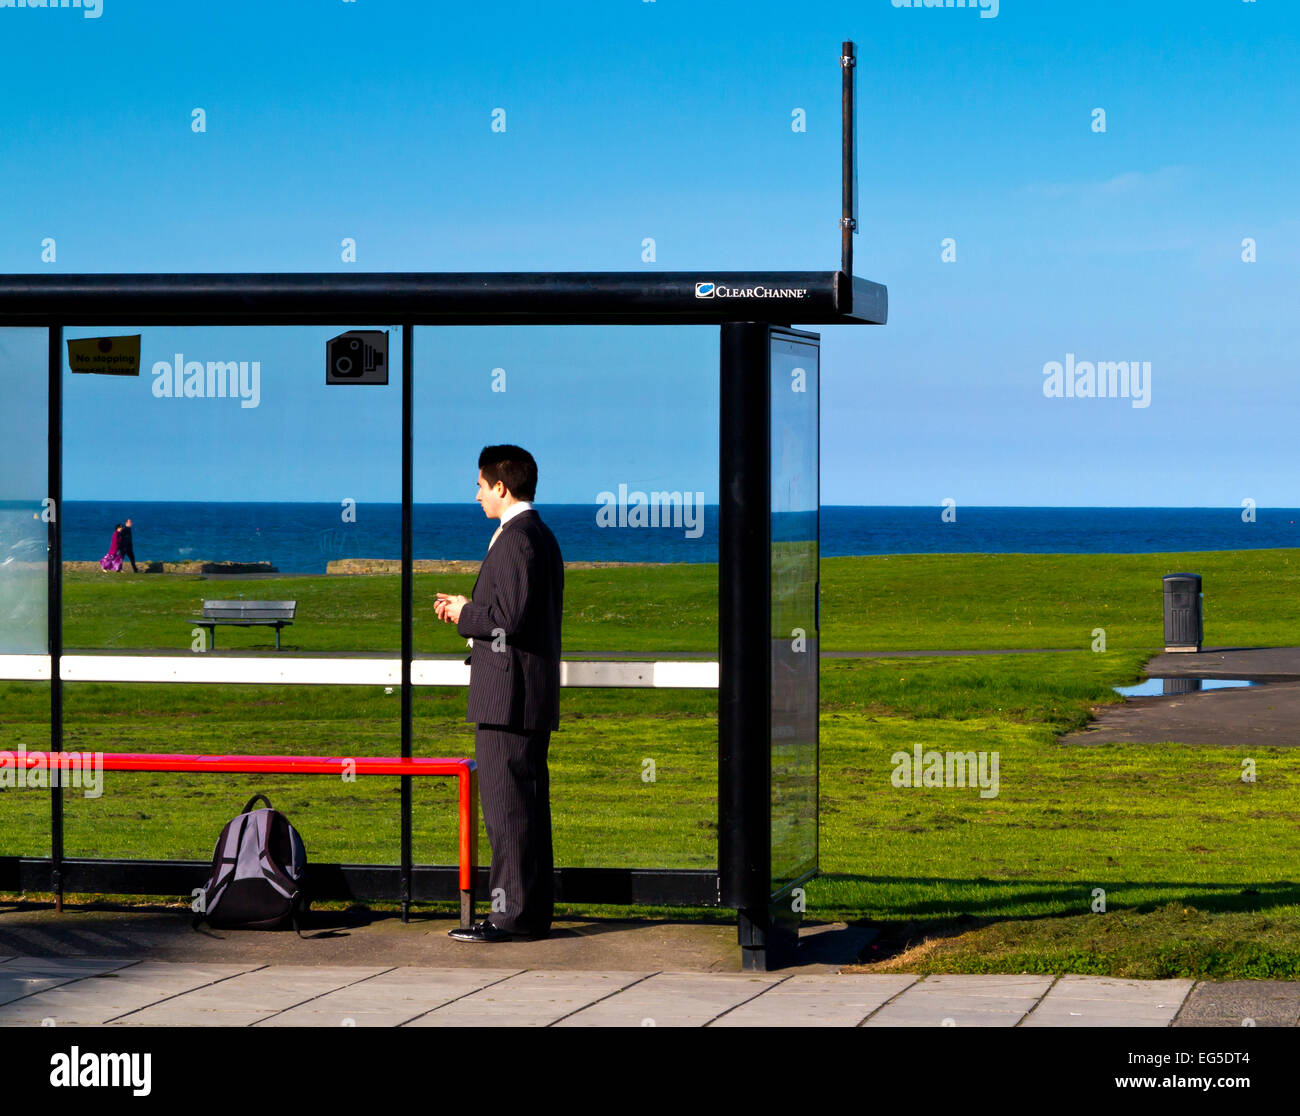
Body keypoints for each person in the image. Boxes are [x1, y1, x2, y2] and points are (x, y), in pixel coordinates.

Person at [436, 445, 564, 943]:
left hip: (507, 699)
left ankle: (510, 917)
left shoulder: (515, 539)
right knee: (526, 809)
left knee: (508, 811)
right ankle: (530, 915)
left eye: (480, 486)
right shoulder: (543, 537)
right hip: (526, 697)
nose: (477, 495)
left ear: (501, 487)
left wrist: (462, 614)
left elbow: (505, 623)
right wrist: (472, 609)